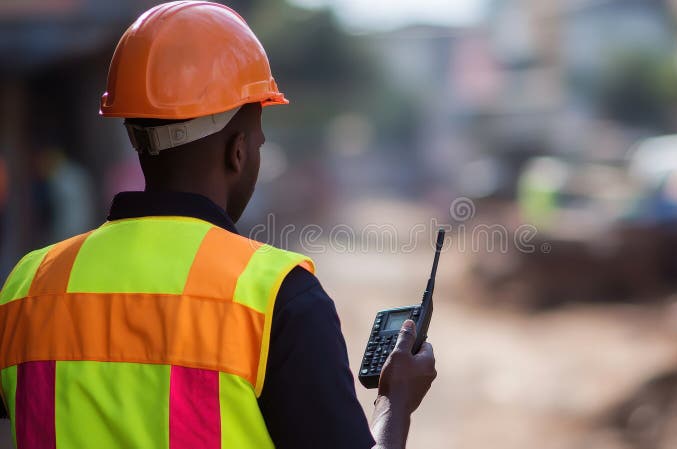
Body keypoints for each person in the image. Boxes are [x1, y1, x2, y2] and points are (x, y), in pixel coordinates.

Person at [0, 2, 436, 448]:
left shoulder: (26, 287)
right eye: (258, 141)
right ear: (238, 151)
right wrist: (394, 402)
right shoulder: (277, 298)